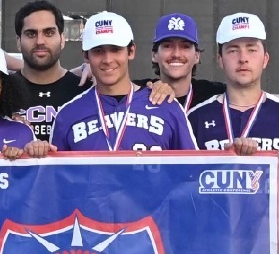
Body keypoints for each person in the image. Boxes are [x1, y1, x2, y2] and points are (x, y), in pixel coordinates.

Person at [187, 13, 279, 244]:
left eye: (252, 49)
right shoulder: (196, 118)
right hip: (214, 239)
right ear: (220, 59)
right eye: (233, 50)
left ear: (265, 58)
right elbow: (186, 190)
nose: (243, 58)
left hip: (277, 237)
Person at [51, 12, 193, 151]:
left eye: (115, 49)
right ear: (86, 56)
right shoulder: (67, 115)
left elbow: (193, 164)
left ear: (131, 51)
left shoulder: (167, 106)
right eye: (98, 51)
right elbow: (53, 167)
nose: (107, 60)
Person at [5, 0, 75, 143]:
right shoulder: (1, 92)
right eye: (31, 34)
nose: (40, 41)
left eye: (49, 33)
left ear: (62, 39)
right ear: (18, 41)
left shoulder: (84, 89)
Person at [146, 12, 226, 108]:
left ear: (197, 56)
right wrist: (146, 90)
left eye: (185, 46)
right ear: (154, 55)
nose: (176, 54)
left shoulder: (216, 93)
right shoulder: (142, 93)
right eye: (167, 46)